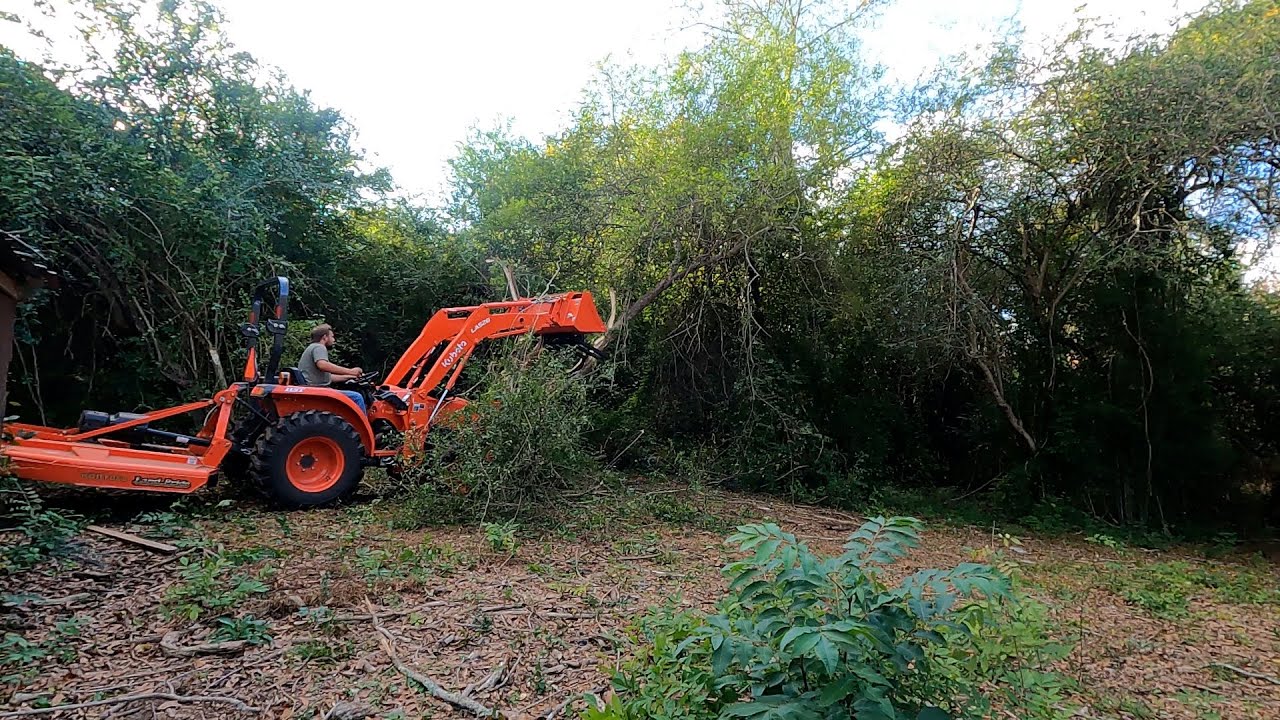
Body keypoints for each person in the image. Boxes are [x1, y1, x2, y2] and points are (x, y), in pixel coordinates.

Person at [297, 324, 367, 413]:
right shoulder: (319, 347)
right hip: (318, 390)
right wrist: (351, 371)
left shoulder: (311, 348)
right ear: (325, 337)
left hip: (314, 388)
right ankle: (363, 422)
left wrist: (351, 376)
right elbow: (322, 365)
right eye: (332, 336)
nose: (334, 340)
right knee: (357, 397)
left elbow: (329, 377)